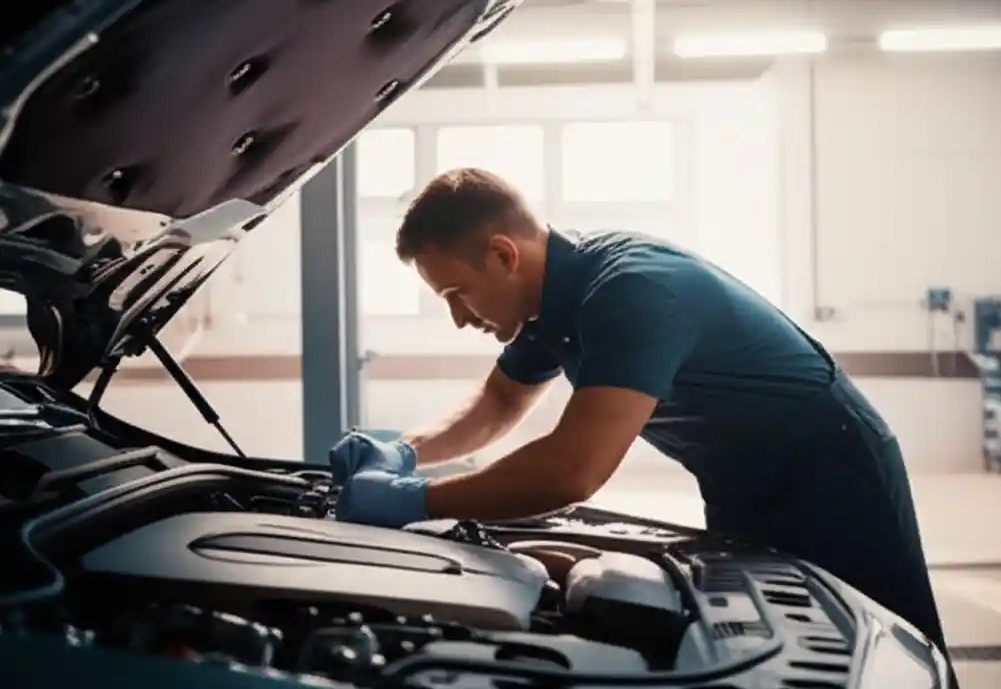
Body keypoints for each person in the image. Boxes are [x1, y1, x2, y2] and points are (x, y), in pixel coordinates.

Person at [329, 167, 952, 664]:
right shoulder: (549, 306)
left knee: (881, 656)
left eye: (455, 294)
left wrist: (416, 501)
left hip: (834, 472)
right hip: (745, 482)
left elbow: (572, 470)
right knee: (763, 650)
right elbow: (497, 404)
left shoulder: (629, 291)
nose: (460, 318)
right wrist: (405, 450)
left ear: (502, 254)